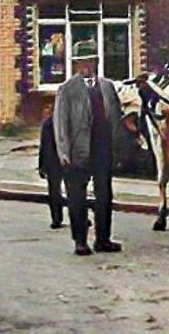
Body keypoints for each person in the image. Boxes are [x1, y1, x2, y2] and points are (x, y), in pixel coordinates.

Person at [53, 39, 125, 256]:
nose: (87, 65)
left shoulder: (107, 87)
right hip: (78, 150)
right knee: (77, 198)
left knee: (104, 195)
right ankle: (80, 241)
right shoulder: (67, 89)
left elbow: (116, 120)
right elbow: (60, 122)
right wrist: (63, 151)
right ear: (75, 64)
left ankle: (103, 239)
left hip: (103, 147)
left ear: (96, 62)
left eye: (91, 61)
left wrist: (118, 149)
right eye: (82, 61)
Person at [37, 101, 65, 229]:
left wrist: (42, 165)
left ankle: (56, 219)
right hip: (66, 159)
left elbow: (43, 146)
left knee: (54, 191)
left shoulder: (47, 124)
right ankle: (79, 216)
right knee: (73, 190)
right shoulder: (66, 122)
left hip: (52, 161)